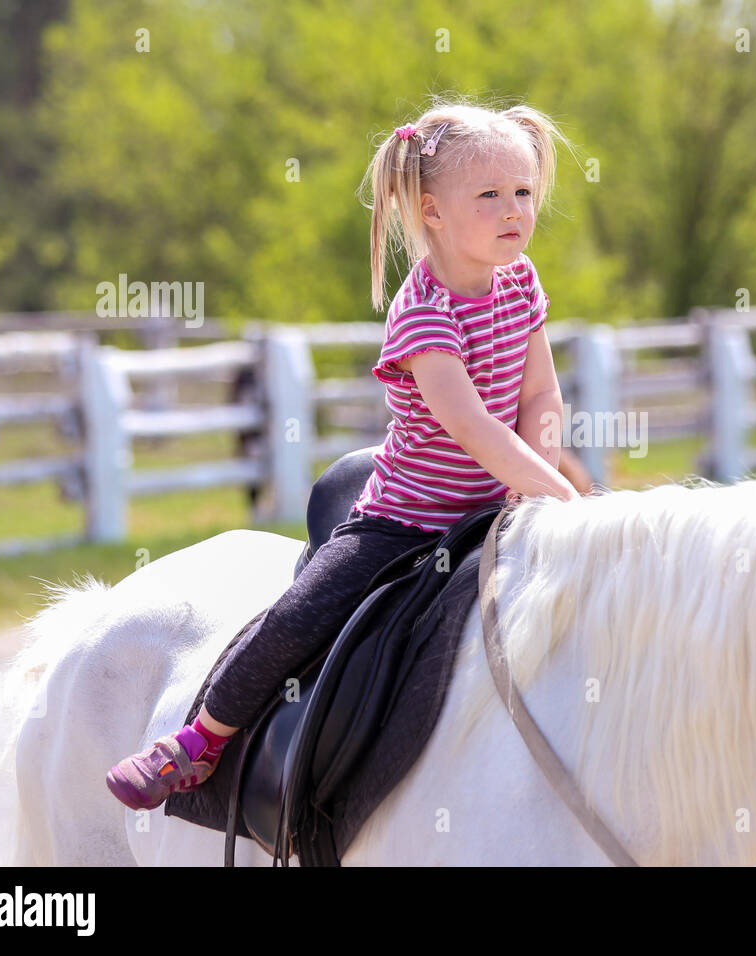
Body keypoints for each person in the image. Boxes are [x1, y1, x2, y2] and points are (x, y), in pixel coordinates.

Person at [106, 99, 581, 810]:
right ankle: (197, 739)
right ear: (431, 211)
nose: (513, 209)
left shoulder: (521, 282)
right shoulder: (423, 311)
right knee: (303, 612)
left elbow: (539, 395)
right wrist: (563, 499)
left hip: (501, 502)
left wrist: (538, 483)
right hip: (407, 521)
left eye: (523, 192)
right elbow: (472, 427)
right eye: (488, 195)